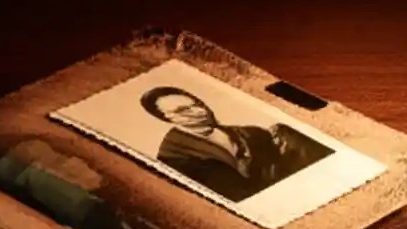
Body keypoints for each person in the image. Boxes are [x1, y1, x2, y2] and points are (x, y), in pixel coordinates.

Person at [139, 86, 333, 202]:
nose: (199, 111)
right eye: (184, 110)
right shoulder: (174, 158)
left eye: (196, 104)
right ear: (167, 118)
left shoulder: (250, 132)